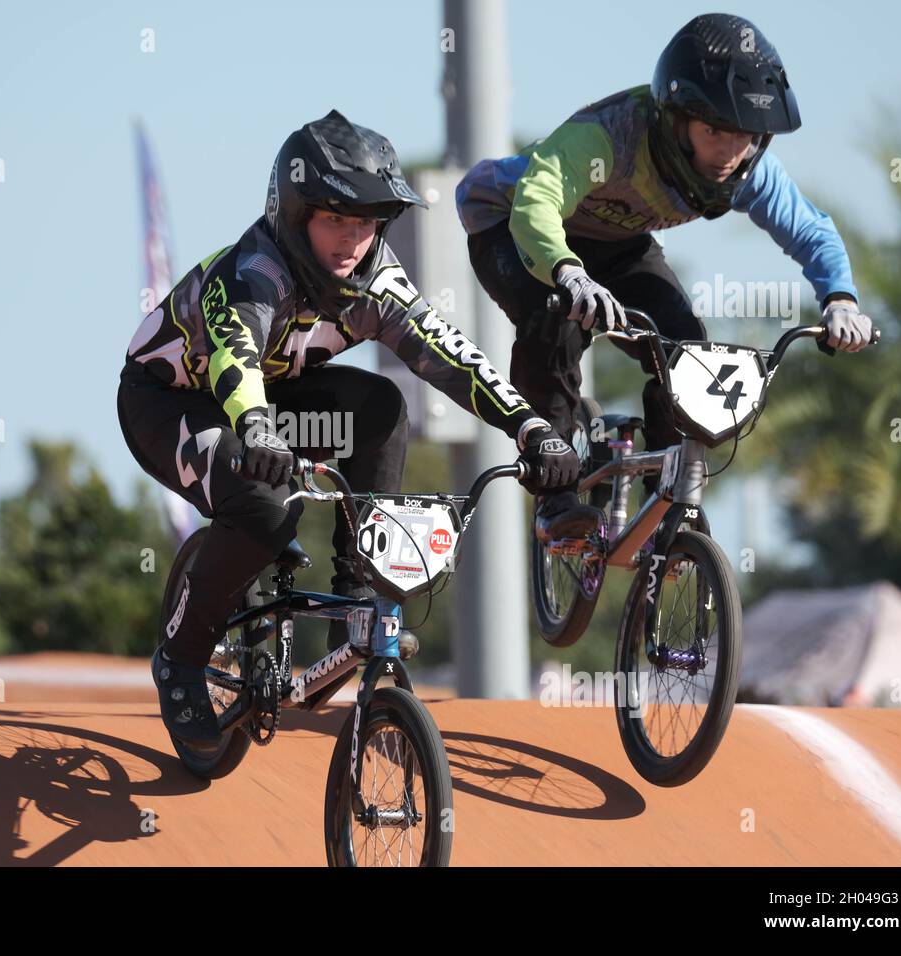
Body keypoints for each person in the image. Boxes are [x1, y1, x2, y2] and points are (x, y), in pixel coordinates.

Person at [119, 110, 577, 748]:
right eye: (335, 218)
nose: (352, 240)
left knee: (384, 407)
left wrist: (528, 424)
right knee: (262, 509)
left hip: (275, 402)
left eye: (366, 223)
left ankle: (354, 598)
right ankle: (182, 656)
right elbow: (236, 357)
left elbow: (445, 353)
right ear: (295, 213)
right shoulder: (253, 272)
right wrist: (255, 429)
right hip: (173, 402)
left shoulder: (376, 280)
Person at [455, 13, 875, 541]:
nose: (728, 152)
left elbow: (811, 230)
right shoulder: (611, 135)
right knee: (555, 320)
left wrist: (840, 299)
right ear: (676, 119)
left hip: (618, 245)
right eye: (714, 131)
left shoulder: (746, 168)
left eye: (744, 135)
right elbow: (536, 204)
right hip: (510, 225)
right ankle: (556, 496)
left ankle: (668, 490)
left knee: (691, 357)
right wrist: (567, 273)